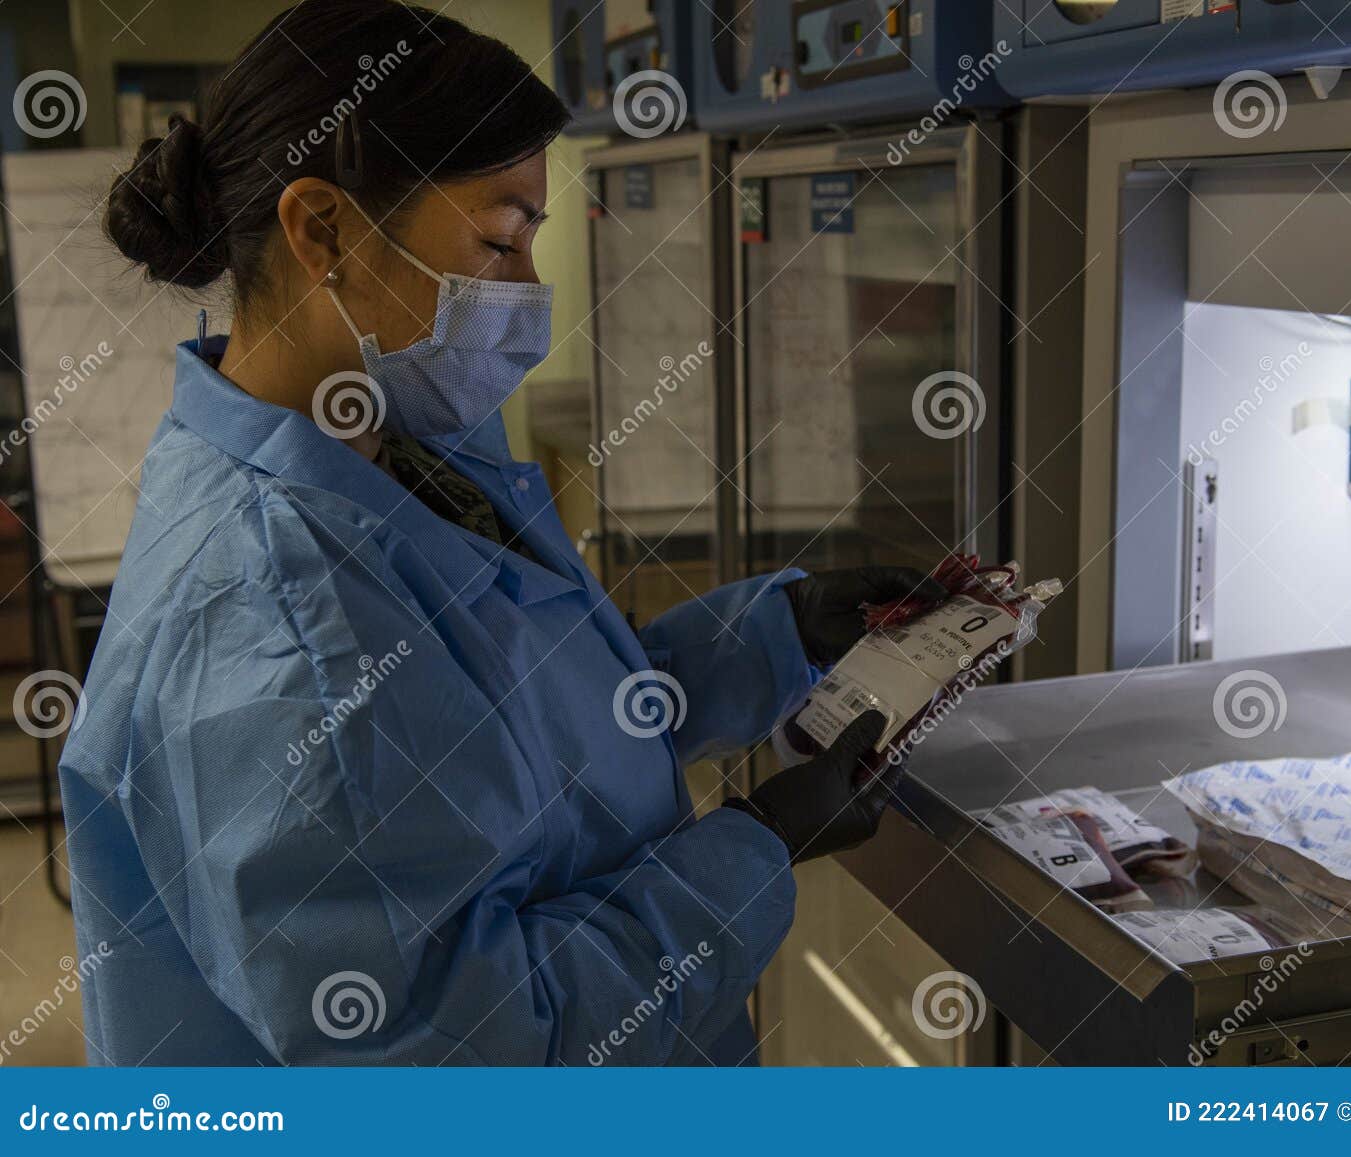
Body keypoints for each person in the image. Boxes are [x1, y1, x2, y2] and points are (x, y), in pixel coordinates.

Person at [60, 0, 940, 1066]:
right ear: (322, 229)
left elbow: (514, 733)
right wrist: (752, 849)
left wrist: (772, 633)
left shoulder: (397, 444)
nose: (528, 291)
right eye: (499, 236)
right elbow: (469, 1054)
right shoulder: (280, 620)